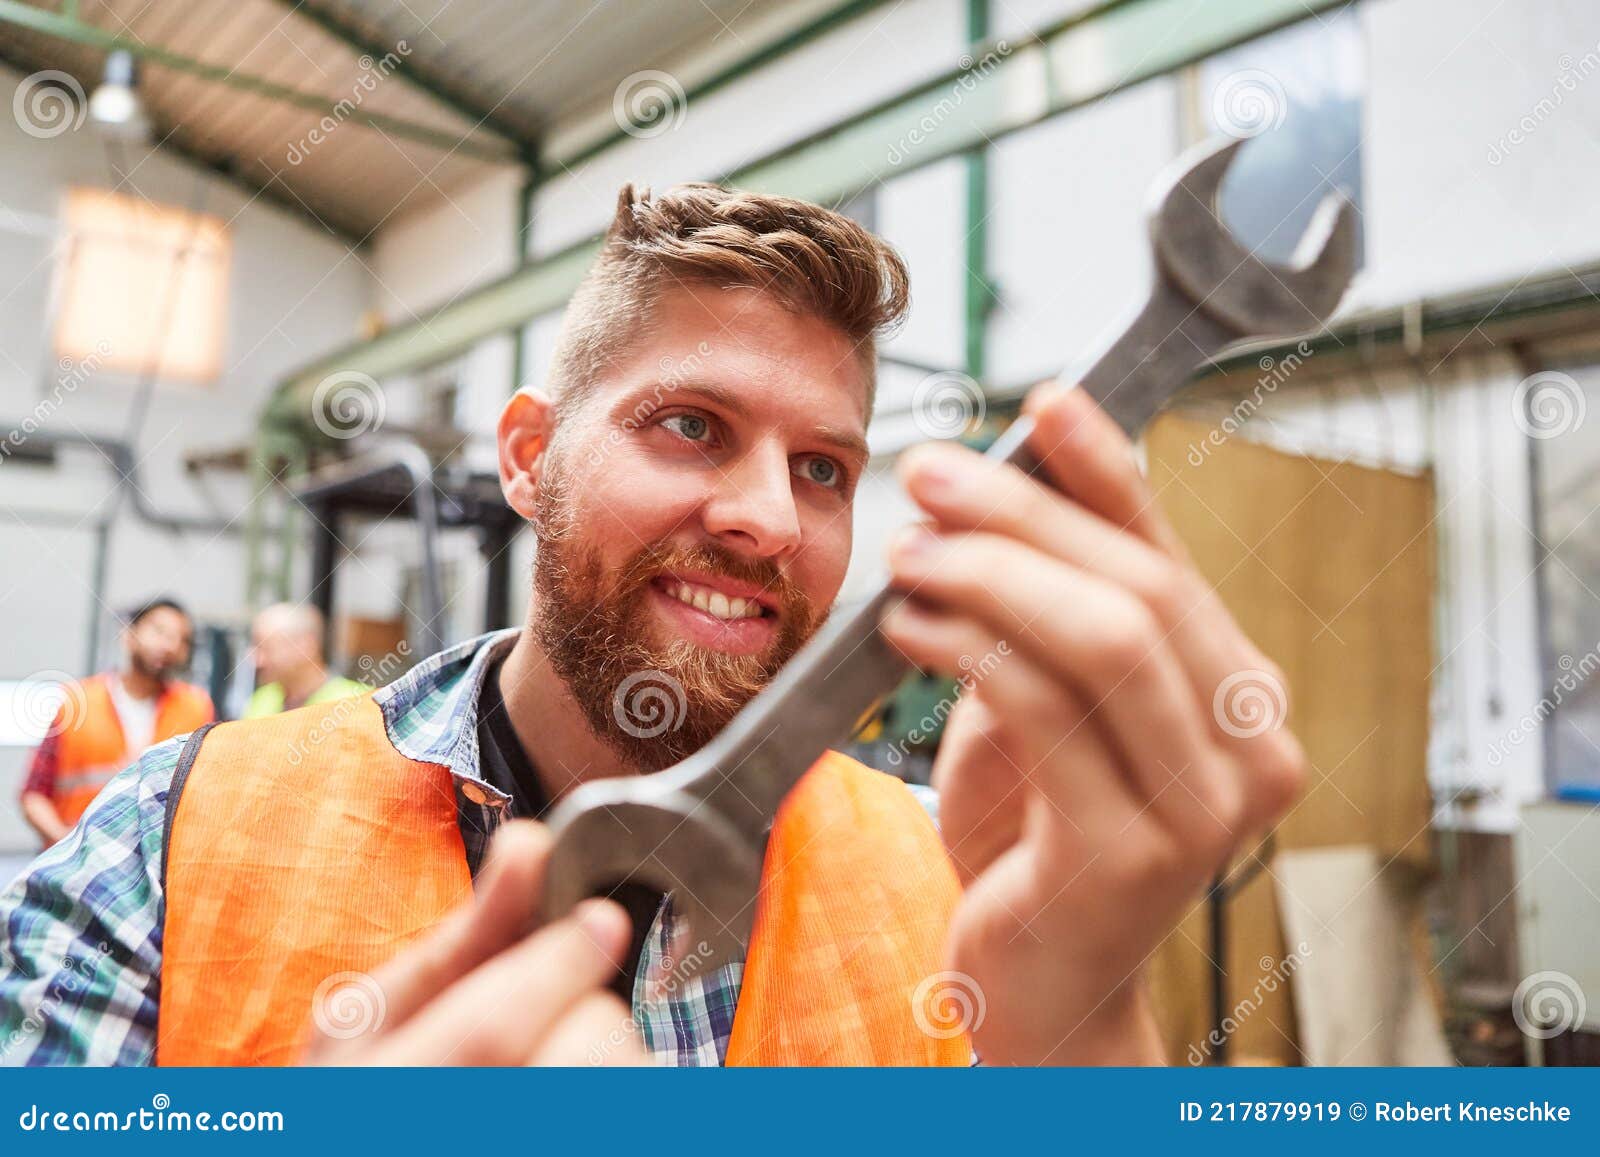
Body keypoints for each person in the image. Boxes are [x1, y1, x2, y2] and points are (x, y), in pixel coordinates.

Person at [0, 185, 1304, 1067]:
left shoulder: (958, 884)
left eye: (824, 469)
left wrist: (1082, 1048)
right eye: (692, 426)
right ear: (527, 458)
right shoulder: (166, 850)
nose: (769, 521)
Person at [17, 597, 213, 849]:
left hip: (157, 868)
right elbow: (34, 793)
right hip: (77, 869)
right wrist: (67, 844)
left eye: (182, 639)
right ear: (129, 635)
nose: (169, 645)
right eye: (159, 631)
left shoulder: (196, 708)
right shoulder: (78, 702)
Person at [241, 603, 368, 718]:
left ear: (306, 645)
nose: (256, 660)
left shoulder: (361, 702)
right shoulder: (262, 700)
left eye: (266, 649)